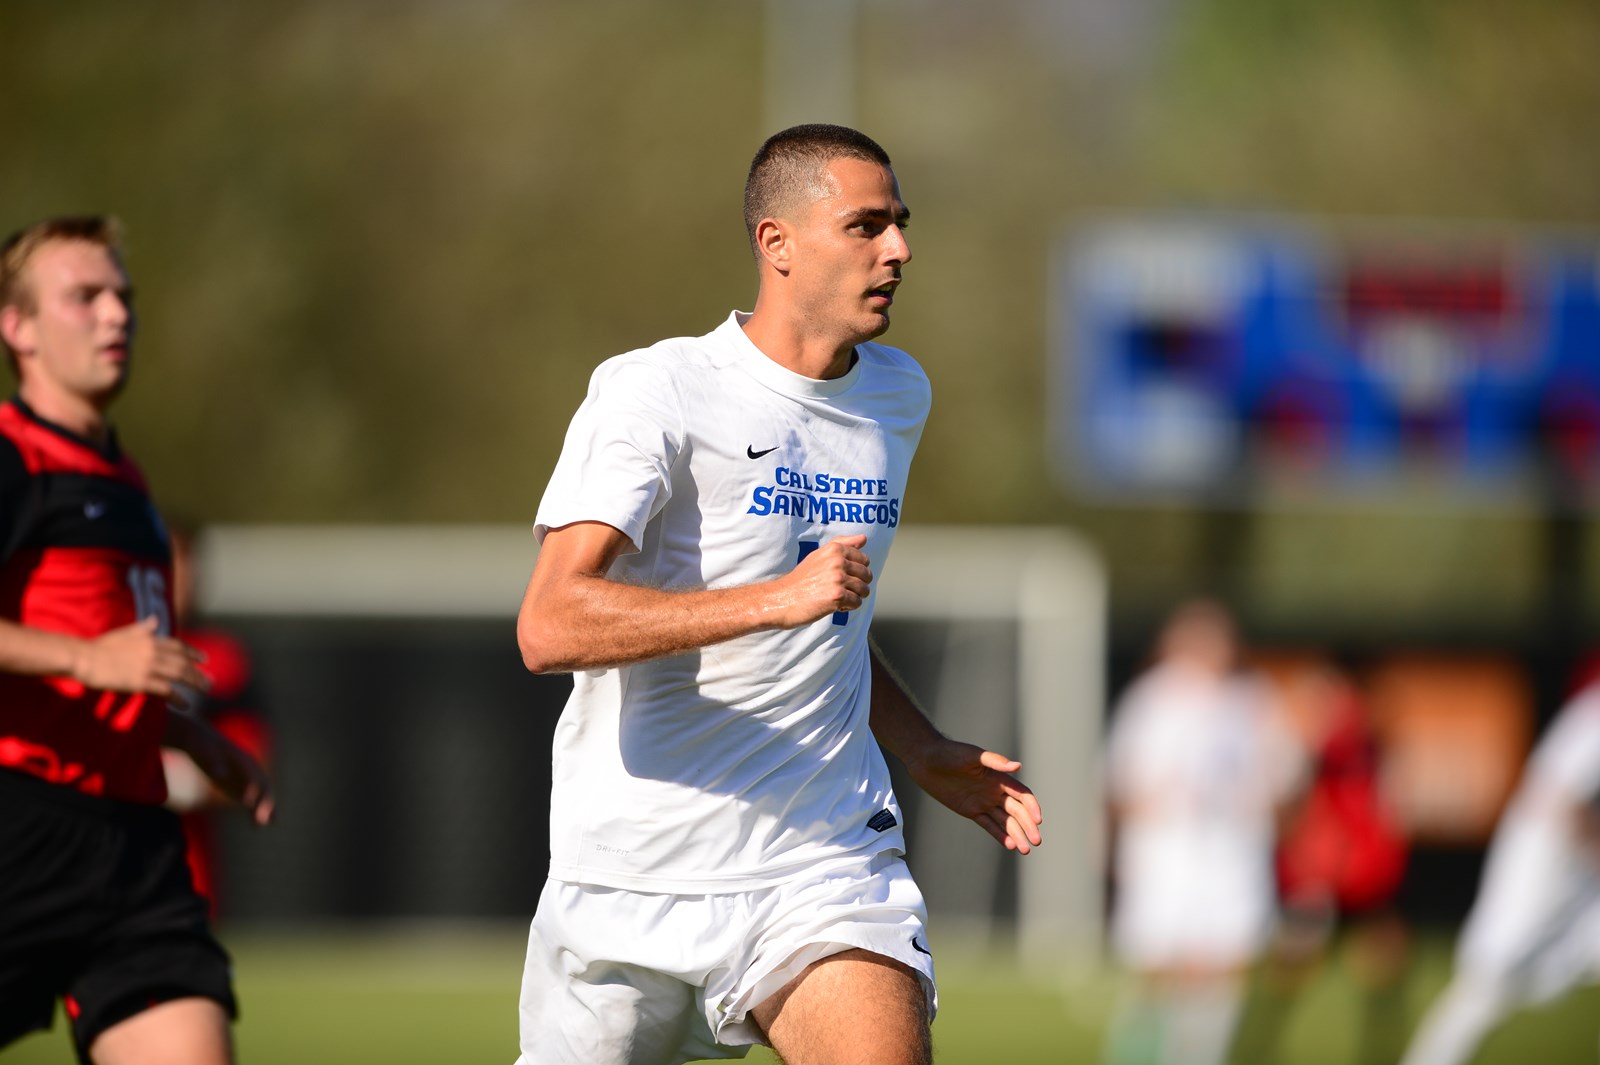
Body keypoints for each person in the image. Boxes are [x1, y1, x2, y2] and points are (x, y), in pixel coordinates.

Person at [513, 124, 1044, 1065]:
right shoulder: (657, 391)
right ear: (778, 243)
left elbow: (831, 625)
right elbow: (551, 622)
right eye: (867, 225)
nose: (900, 250)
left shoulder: (898, 396)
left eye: (901, 225)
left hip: (820, 856)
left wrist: (921, 750)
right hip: (629, 878)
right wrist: (770, 599)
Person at [0, 216, 272, 1065]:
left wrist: (184, 731)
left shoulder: (126, 482)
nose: (116, 314)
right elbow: (88, 653)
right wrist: (89, 658)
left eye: (123, 296)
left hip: (131, 848)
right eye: (84, 297)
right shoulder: (13, 457)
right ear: (18, 327)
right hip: (19, 825)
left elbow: (101, 660)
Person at [1099, 599, 1304, 1065]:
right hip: (1165, 855)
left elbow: (1286, 776)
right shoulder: (1151, 699)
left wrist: (1260, 809)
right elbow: (1121, 781)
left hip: (1233, 856)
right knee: (1157, 969)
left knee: (1224, 965)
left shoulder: (1253, 699)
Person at [1396, 670, 1600, 1065]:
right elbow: (1563, 801)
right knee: (1488, 981)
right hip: (1545, 866)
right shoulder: (1595, 717)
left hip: (1582, 876)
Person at [161, 519, 274, 915]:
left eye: (189, 563)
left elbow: (250, 765)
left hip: (188, 877)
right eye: (170, 561)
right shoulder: (97, 650)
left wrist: (173, 779)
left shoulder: (221, 658)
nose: (183, 577)